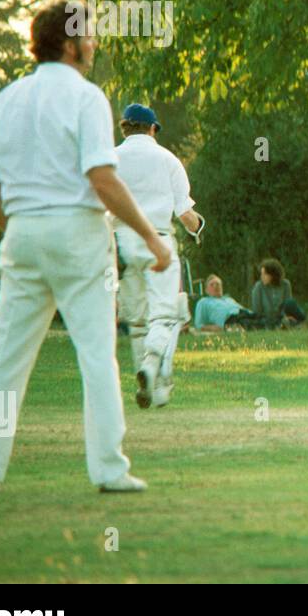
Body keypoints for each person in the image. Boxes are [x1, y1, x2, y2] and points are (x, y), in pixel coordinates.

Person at [0, 0, 170, 495]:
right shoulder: (87, 98)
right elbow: (102, 180)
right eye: (90, 36)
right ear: (72, 43)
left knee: (5, 353)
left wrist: (18, 233)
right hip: (78, 233)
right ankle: (109, 469)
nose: (95, 43)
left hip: (22, 233)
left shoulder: (7, 98)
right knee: (97, 353)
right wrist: (149, 236)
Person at [113, 103, 202, 408]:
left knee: (137, 321)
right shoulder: (168, 159)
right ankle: (151, 368)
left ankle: (154, 390)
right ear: (152, 129)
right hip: (158, 241)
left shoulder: (110, 159)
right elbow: (186, 214)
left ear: (124, 128)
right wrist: (199, 229)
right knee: (166, 315)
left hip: (121, 244)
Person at [250, 258, 308, 328]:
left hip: (283, 316)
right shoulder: (259, 287)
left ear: (272, 275)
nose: (262, 277)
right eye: (261, 274)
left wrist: (286, 316)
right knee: (262, 322)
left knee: (291, 303)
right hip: (267, 319)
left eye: (264, 274)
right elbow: (257, 311)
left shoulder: (285, 284)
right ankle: (288, 324)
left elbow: (287, 305)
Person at [194, 274, 264, 331]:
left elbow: (243, 310)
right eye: (212, 285)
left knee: (264, 319)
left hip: (245, 314)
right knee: (252, 324)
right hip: (230, 319)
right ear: (206, 290)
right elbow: (199, 325)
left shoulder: (229, 299)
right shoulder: (203, 302)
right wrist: (215, 328)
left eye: (218, 284)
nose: (215, 286)